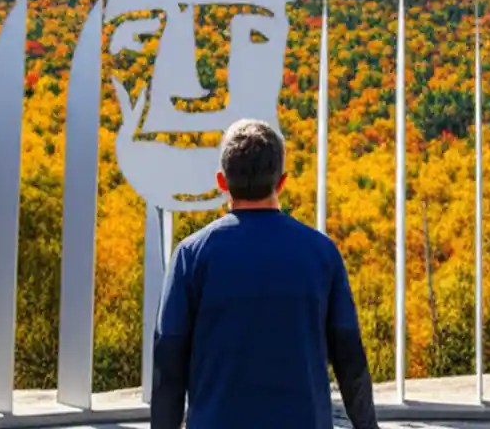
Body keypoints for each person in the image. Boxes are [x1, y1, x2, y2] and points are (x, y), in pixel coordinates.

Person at [150, 118, 380, 428]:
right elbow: (350, 360)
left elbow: (169, 366)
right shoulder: (322, 254)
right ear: (281, 182)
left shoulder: (191, 256)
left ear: (222, 182)